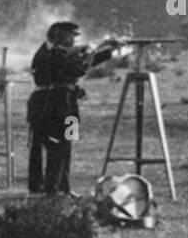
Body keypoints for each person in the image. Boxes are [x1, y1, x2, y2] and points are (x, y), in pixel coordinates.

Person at [27, 21, 120, 194]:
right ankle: (53, 189)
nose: (73, 41)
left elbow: (69, 74)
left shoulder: (54, 52)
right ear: (59, 37)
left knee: (67, 145)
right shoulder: (53, 53)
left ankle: (63, 187)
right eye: (70, 36)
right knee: (59, 146)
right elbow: (78, 69)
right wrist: (91, 54)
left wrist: (108, 52)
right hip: (57, 106)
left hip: (67, 104)